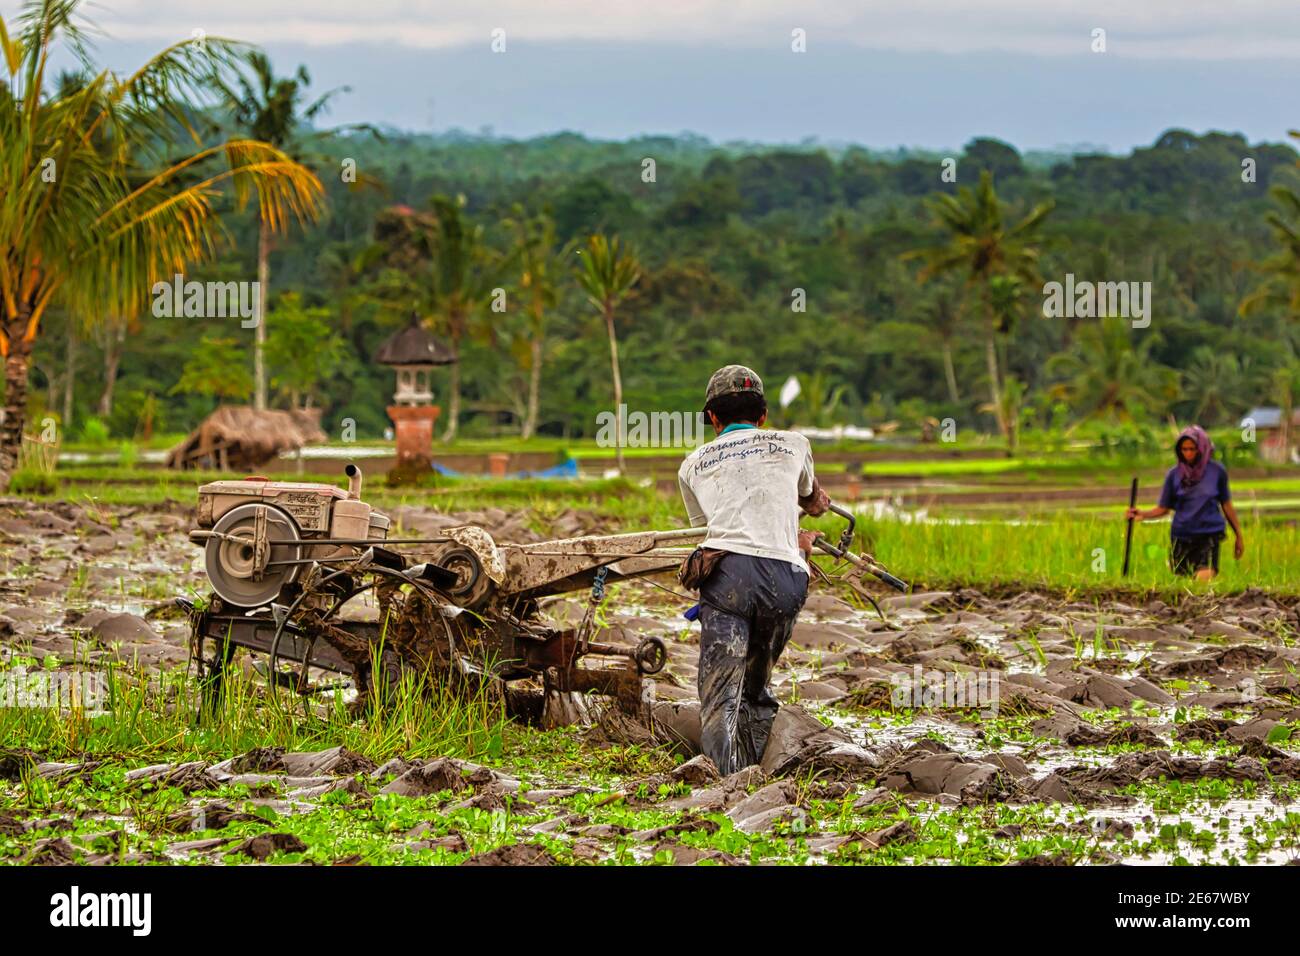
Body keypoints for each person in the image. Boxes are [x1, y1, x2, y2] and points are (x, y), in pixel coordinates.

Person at [676, 365, 829, 774]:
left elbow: (716, 528)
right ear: (762, 416)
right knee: (756, 688)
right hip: (787, 582)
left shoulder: (692, 464)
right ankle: (762, 770)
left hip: (731, 581)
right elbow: (810, 499)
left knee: (720, 695)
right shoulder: (795, 443)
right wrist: (803, 532)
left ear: (712, 418)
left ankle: (727, 783)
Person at [1125, 425, 1244, 581]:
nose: (1188, 453)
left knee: (1203, 578)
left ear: (1201, 448)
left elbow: (1226, 505)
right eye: (1184, 449)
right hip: (1182, 535)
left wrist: (1238, 535)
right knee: (1183, 582)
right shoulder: (1174, 475)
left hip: (1208, 533)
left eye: (1192, 449)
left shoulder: (1217, 472)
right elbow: (1163, 508)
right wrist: (1142, 514)